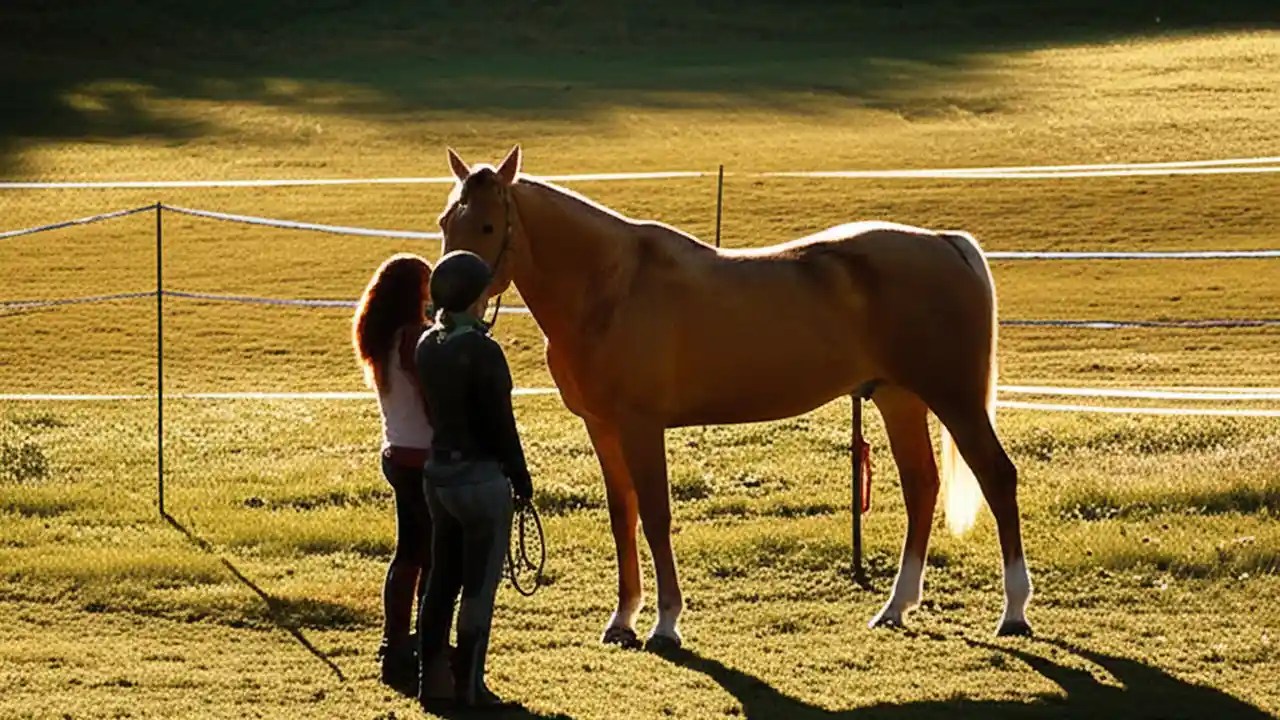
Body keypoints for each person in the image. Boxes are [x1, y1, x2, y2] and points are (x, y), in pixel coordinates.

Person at [415, 250, 535, 709]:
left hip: (438, 476)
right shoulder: (484, 351)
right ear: (475, 297)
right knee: (479, 586)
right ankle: (471, 689)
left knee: (441, 580)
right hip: (480, 480)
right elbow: (501, 424)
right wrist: (521, 479)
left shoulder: (429, 344)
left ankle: (433, 682)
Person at [351, 252, 437, 697]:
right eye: (426, 282)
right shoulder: (413, 339)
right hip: (422, 454)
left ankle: (399, 642)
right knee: (425, 557)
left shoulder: (380, 336)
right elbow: (429, 398)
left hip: (397, 450)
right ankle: (413, 644)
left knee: (412, 552)